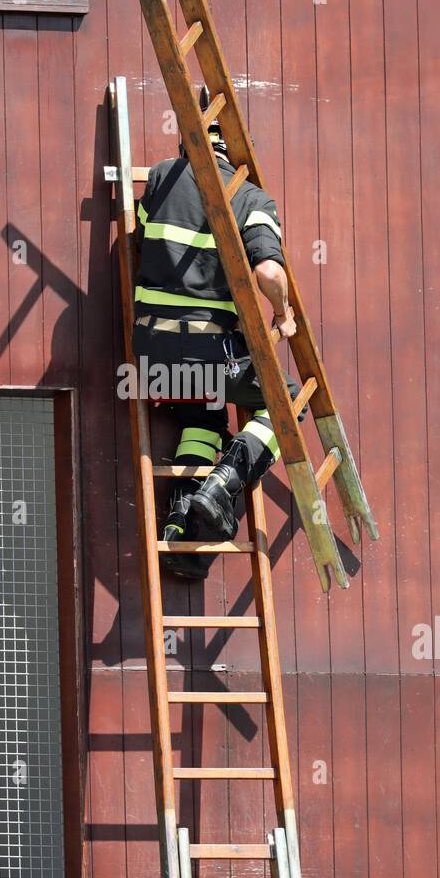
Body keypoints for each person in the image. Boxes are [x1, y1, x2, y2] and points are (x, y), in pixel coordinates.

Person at [132, 112, 306, 580]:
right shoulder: (250, 198)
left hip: (149, 363)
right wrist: (283, 315)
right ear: (235, 154)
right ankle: (223, 484)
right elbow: (269, 273)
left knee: (204, 413)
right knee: (288, 402)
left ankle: (182, 533)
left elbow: (141, 236)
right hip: (206, 355)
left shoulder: (160, 177)